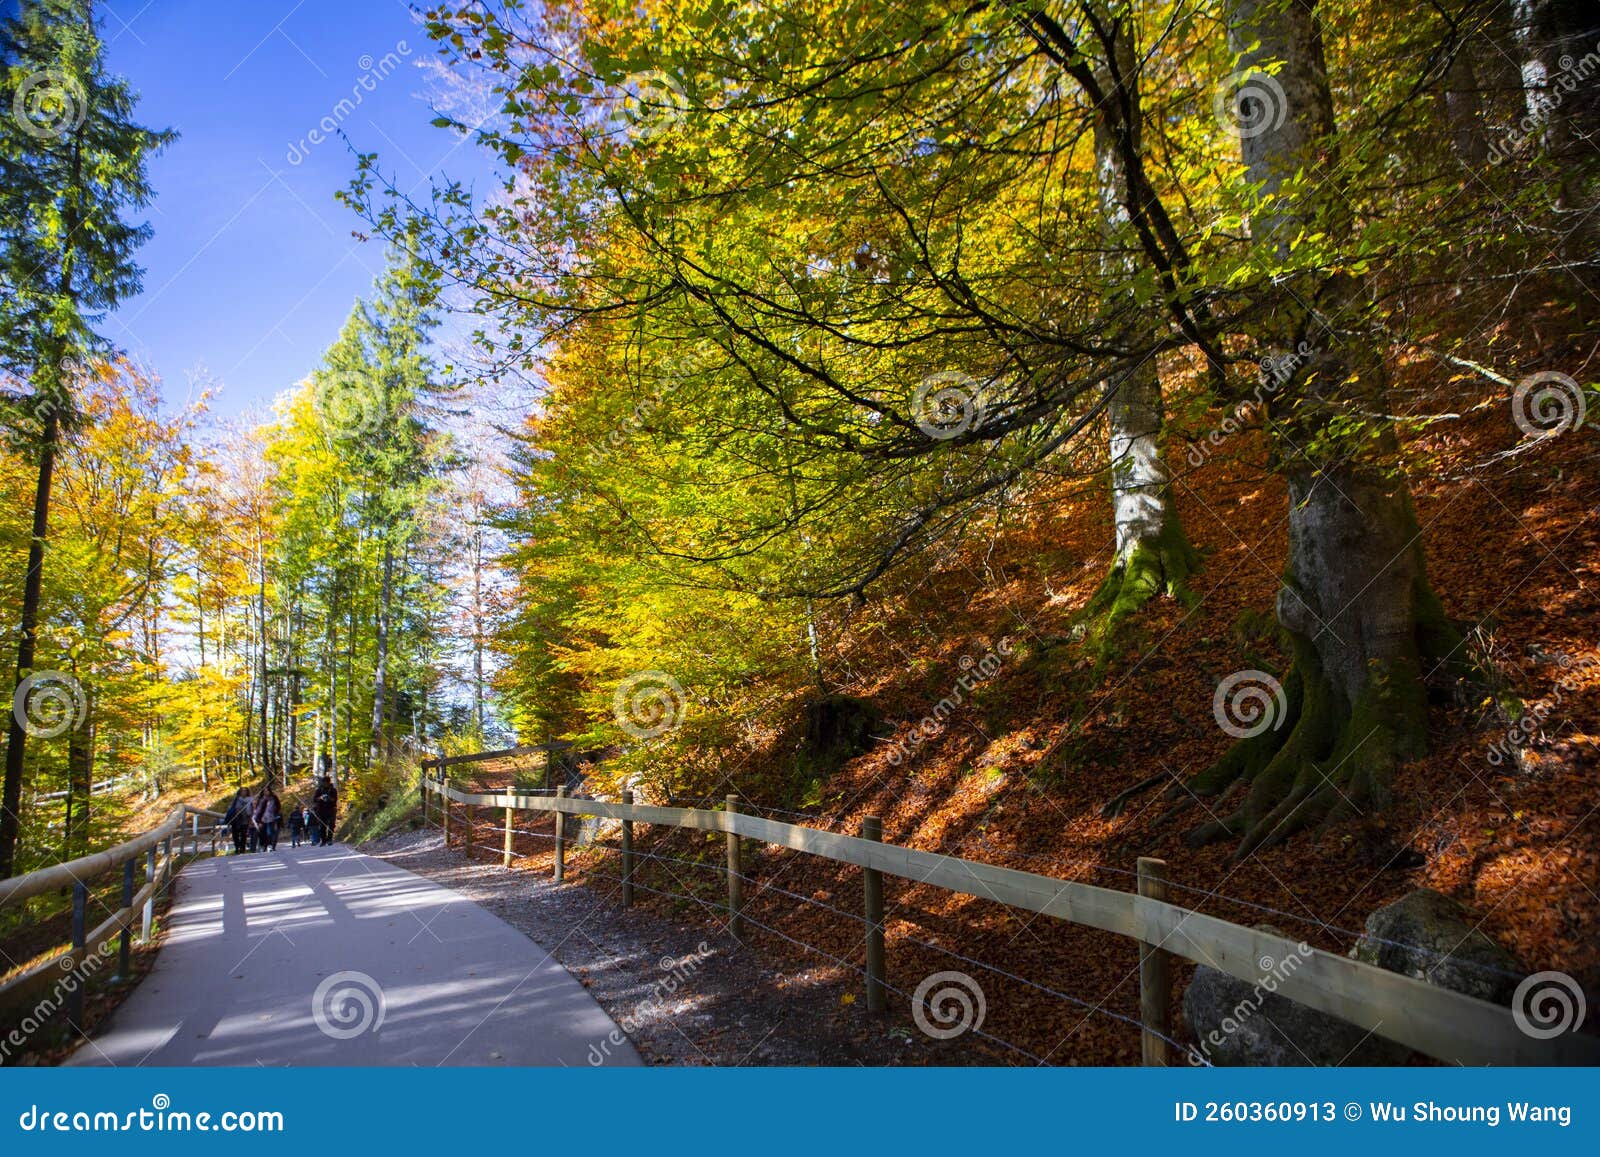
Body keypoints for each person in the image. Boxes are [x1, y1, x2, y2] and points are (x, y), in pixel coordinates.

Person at [253, 783, 283, 851]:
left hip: (271, 818)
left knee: (270, 832)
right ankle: (263, 846)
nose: (266, 792)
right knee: (262, 833)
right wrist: (258, 820)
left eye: (267, 791)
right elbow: (258, 810)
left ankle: (270, 845)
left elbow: (278, 806)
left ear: (270, 791)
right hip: (262, 818)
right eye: (264, 791)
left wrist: (276, 813)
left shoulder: (273, 798)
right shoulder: (261, 799)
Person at [223, 789, 252, 854]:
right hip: (236, 820)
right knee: (235, 835)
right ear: (240, 792)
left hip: (245, 820)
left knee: (243, 835)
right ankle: (237, 847)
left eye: (245, 791)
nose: (244, 792)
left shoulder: (250, 800)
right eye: (242, 791)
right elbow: (231, 808)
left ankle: (242, 848)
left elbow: (251, 810)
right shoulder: (236, 799)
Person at [312, 776, 337, 846]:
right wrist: (320, 798)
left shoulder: (333, 790)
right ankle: (323, 840)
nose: (325, 784)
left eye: (326, 782)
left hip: (331, 809)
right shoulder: (319, 790)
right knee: (322, 825)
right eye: (324, 782)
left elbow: (335, 799)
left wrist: (329, 798)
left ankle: (329, 839)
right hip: (321, 810)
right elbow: (314, 800)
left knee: (331, 825)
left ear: (329, 782)